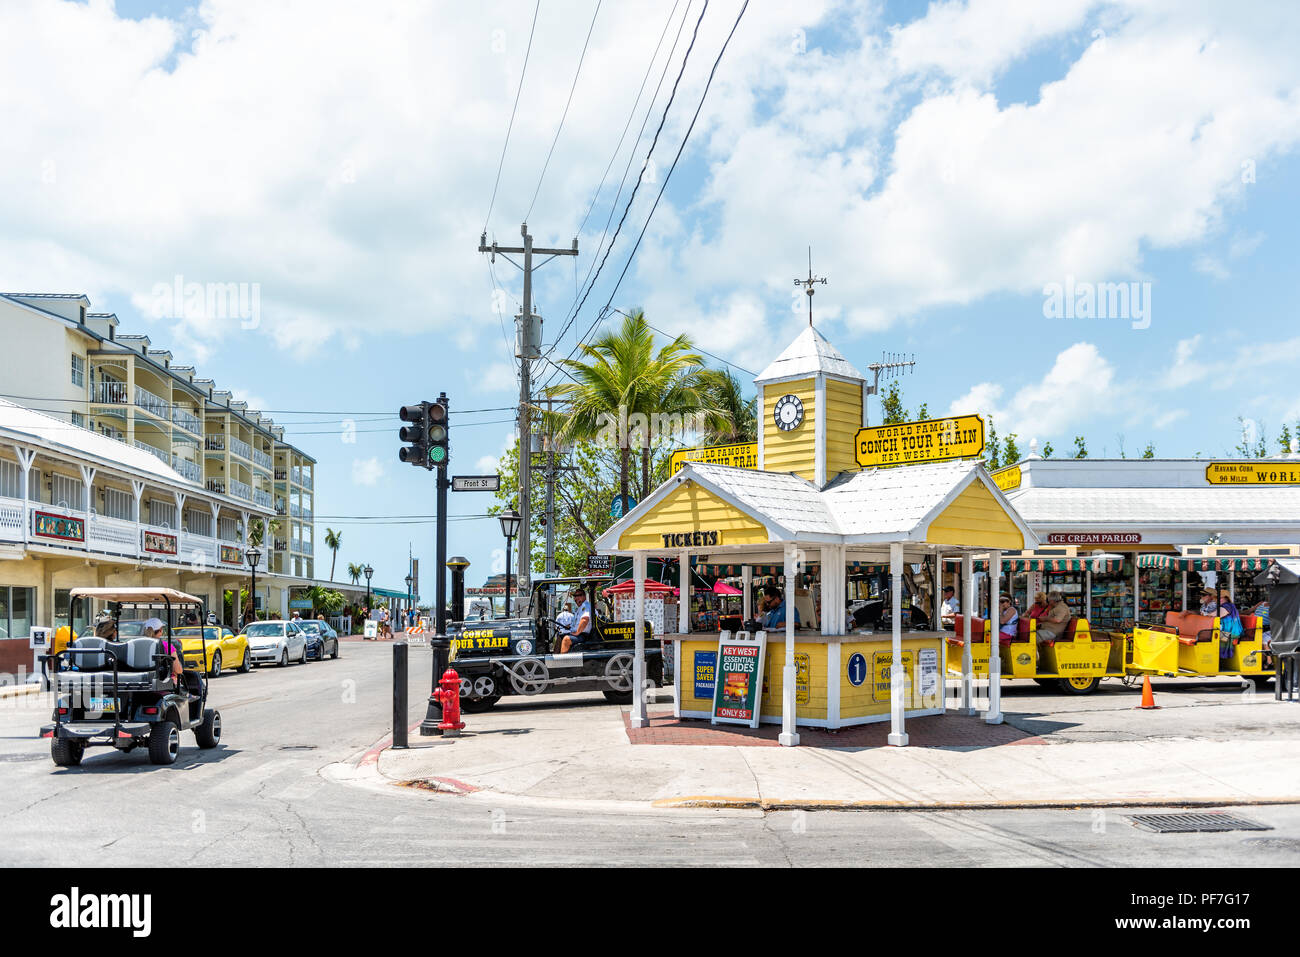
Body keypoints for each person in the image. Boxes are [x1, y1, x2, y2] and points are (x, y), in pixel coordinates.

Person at [560, 588, 592, 653]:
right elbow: (575, 623)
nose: (576, 598)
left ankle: (562, 662)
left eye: (579, 595)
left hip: (583, 635)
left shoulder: (586, 606)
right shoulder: (579, 608)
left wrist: (577, 633)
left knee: (566, 639)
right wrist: (566, 627)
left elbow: (585, 620)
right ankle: (555, 658)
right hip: (579, 634)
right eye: (575, 596)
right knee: (560, 636)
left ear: (584, 596)